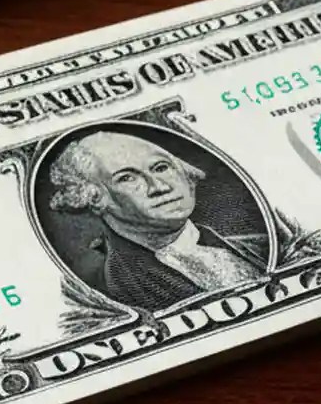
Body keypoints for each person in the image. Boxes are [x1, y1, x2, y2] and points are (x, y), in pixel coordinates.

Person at [48, 131, 266, 310]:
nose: (160, 187)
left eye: (161, 167)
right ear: (94, 197)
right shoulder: (106, 291)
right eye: (127, 178)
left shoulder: (260, 246)